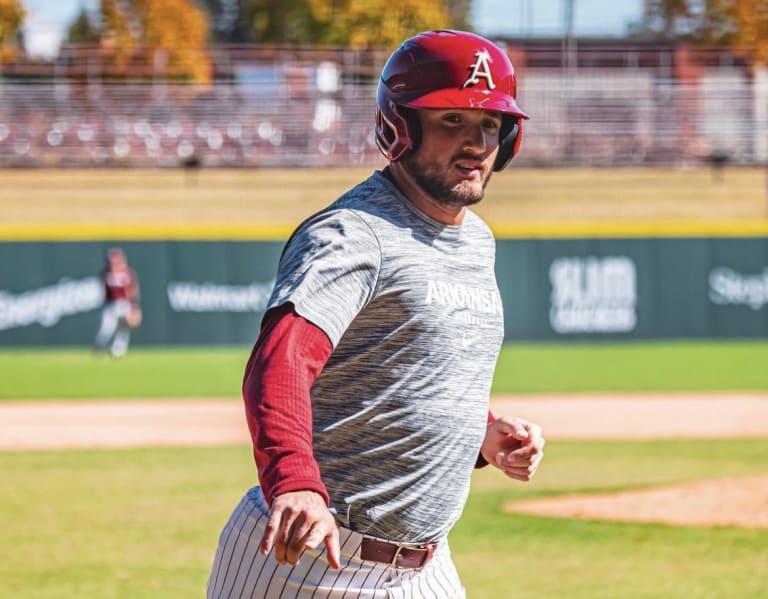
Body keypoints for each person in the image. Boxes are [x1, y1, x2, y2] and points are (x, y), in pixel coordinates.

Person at [207, 30, 545, 598]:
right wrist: (292, 479)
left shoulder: (477, 241)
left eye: (490, 124)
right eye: (451, 121)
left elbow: (416, 366)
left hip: (427, 568)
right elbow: (280, 362)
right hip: (310, 560)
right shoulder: (353, 235)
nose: (476, 143)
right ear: (399, 128)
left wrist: (485, 434)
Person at [93, 247, 141, 357]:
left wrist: (134, 305)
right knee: (107, 328)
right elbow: (103, 291)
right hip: (110, 305)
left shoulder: (128, 272)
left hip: (124, 304)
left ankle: (118, 348)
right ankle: (100, 347)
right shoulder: (105, 273)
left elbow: (133, 290)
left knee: (125, 326)